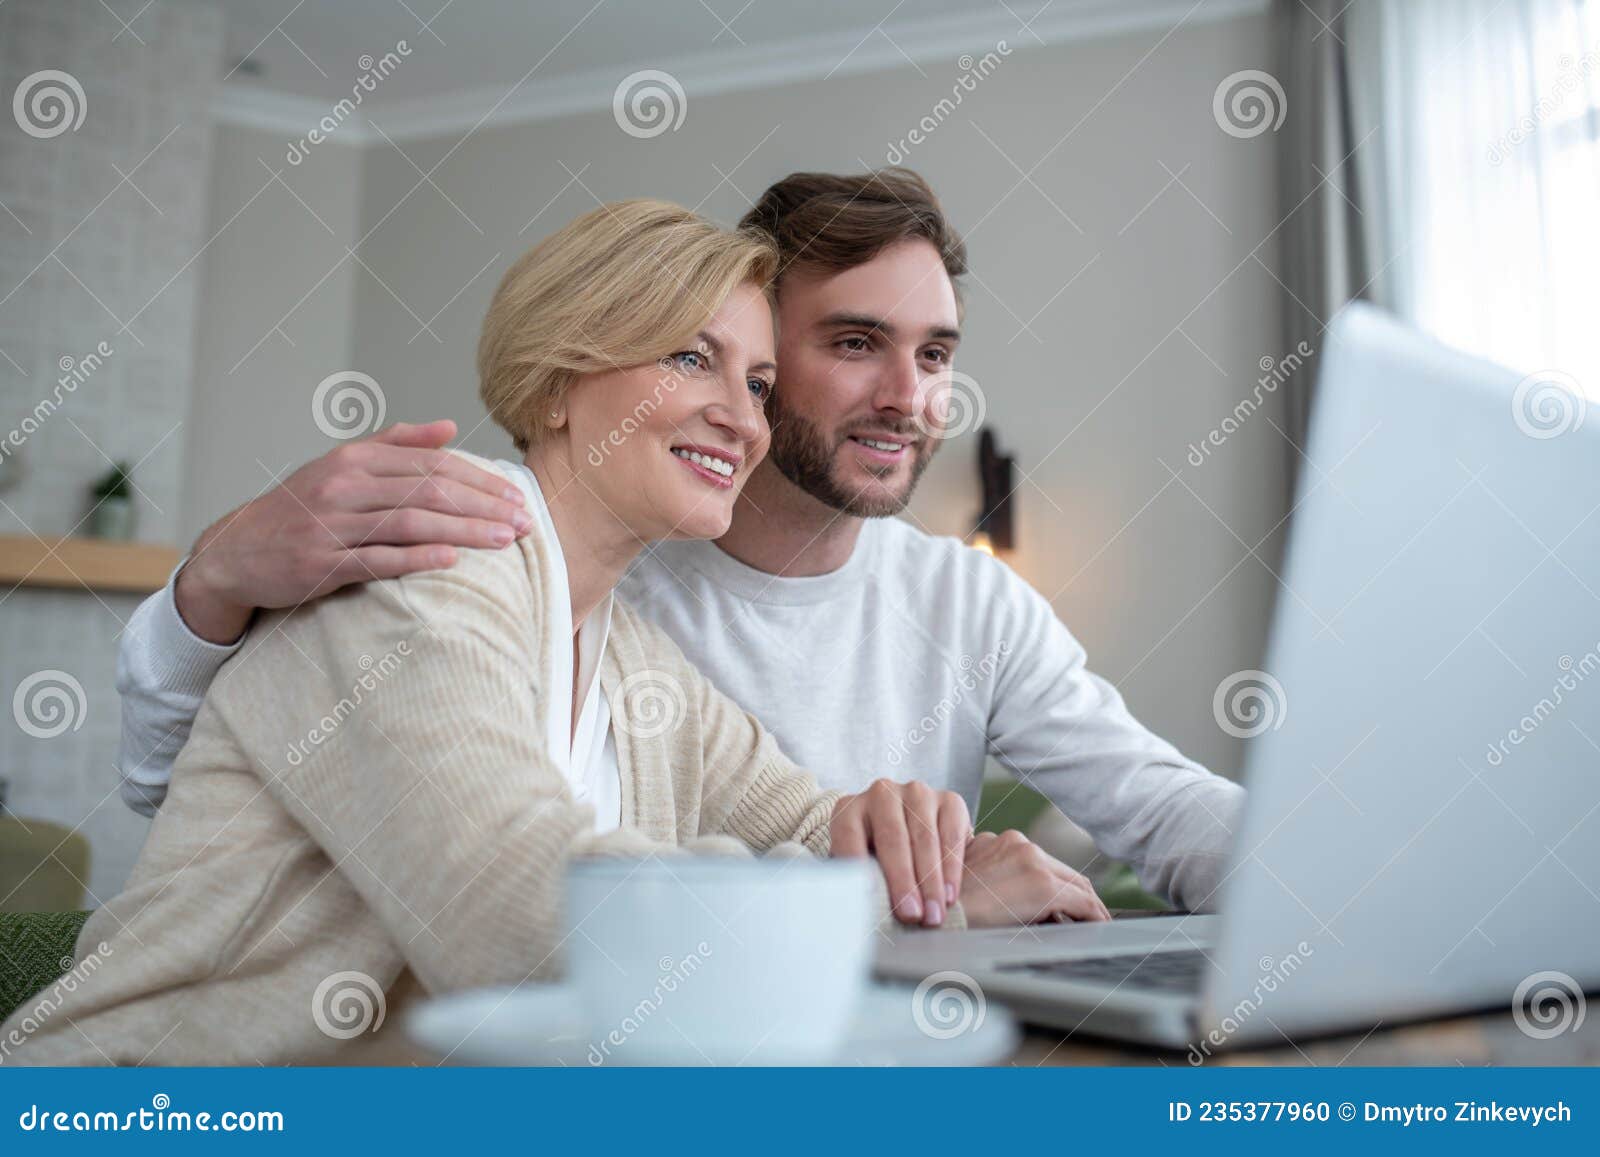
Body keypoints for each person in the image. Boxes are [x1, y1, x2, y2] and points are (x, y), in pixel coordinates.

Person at [6, 200, 1069, 1067]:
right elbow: (514, 914)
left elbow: (806, 821)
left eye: (756, 383)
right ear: (561, 384)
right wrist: (901, 900)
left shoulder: (630, 655)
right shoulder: (428, 562)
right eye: (690, 359)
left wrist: (915, 854)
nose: (745, 419)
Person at [119, 167, 1241, 921]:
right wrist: (209, 585)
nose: (909, 397)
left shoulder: (630, 637)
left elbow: (1151, 804)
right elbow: (212, 783)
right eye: (855, 342)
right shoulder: (488, 549)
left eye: (937, 354)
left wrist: (1325, 881)